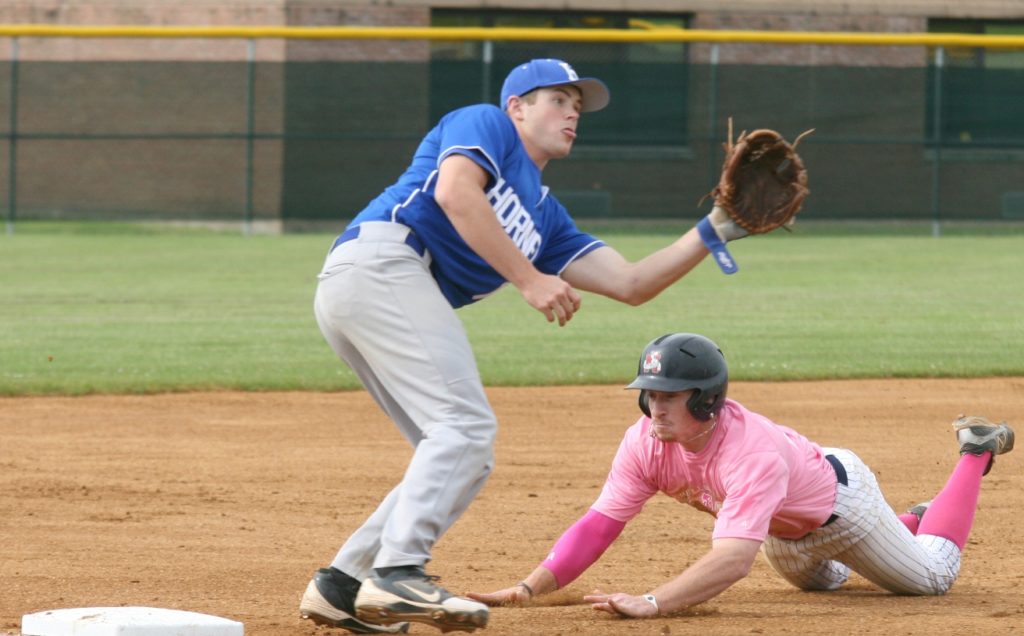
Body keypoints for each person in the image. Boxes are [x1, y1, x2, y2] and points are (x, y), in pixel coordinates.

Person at [298, 58, 759, 635]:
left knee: (454, 451)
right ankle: (397, 574)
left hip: (379, 286)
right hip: (383, 263)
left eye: (577, 106)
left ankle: (342, 584)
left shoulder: (543, 216)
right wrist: (528, 278)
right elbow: (455, 193)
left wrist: (713, 229)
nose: (572, 114)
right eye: (557, 100)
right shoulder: (486, 123)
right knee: (464, 431)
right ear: (517, 106)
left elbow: (631, 283)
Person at [468, 332, 1016, 619]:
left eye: (668, 397)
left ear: (706, 400)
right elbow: (600, 524)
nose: (653, 409)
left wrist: (655, 602)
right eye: (649, 396)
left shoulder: (748, 452)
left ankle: (974, 451)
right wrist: (527, 588)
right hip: (783, 524)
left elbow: (732, 559)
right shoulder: (644, 442)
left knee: (932, 578)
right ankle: (906, 523)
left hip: (842, 508)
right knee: (827, 585)